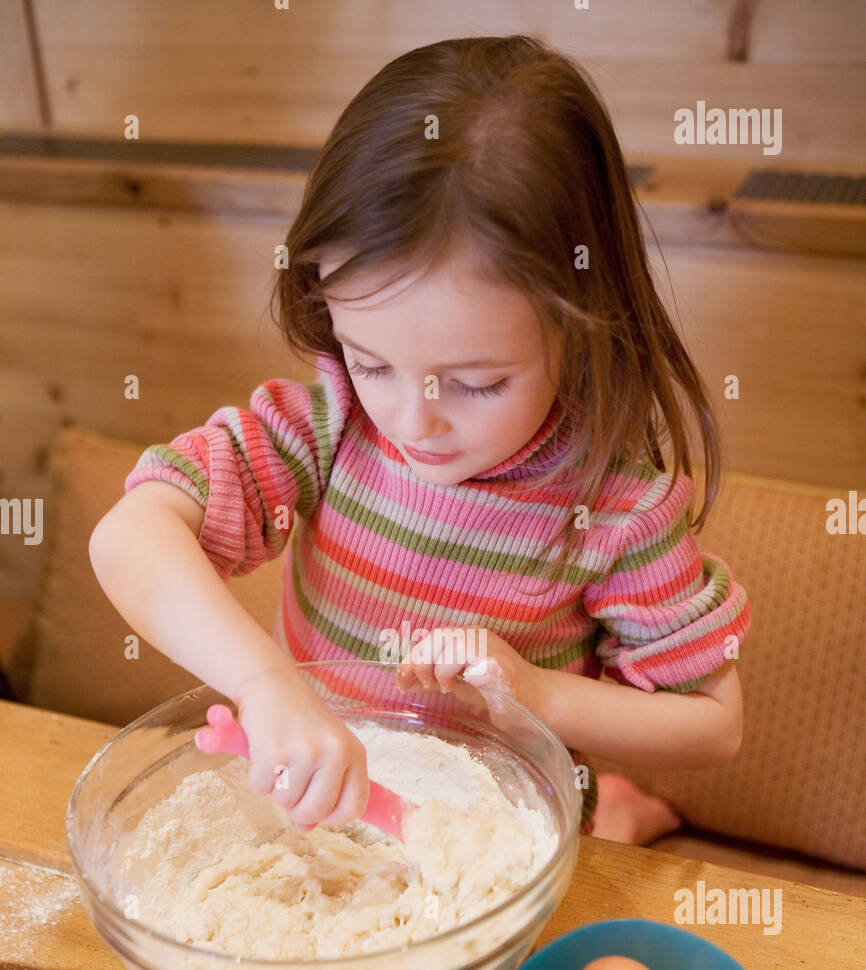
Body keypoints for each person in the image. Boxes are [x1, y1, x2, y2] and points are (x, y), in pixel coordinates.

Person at [89, 34, 749, 845]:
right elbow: (129, 535)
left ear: (580, 327)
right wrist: (266, 686)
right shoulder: (330, 426)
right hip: (316, 808)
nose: (410, 421)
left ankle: (617, 814)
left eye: (476, 384)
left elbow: (715, 725)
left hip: (496, 840)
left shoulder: (617, 514)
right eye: (371, 363)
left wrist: (533, 695)